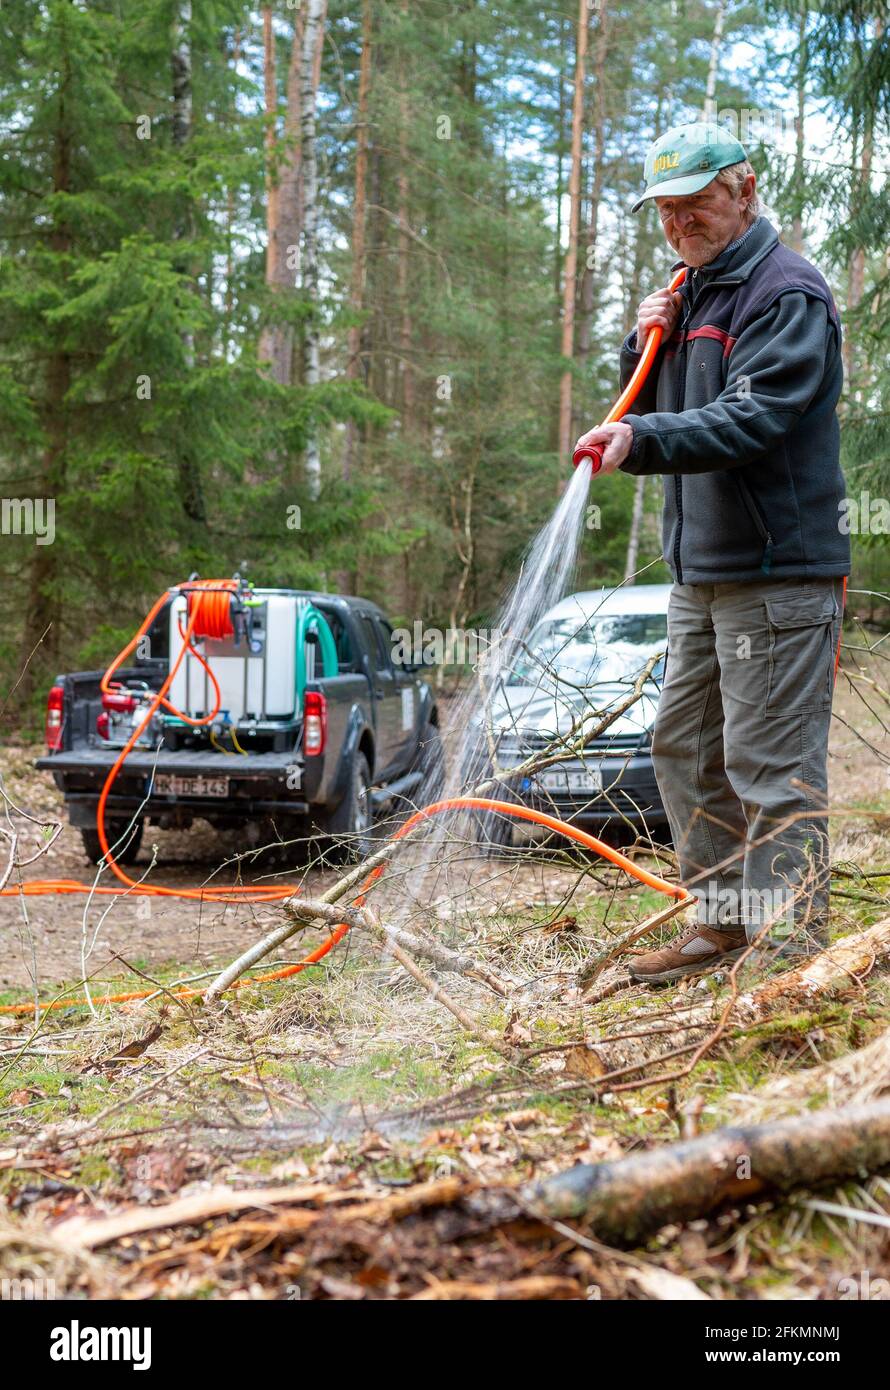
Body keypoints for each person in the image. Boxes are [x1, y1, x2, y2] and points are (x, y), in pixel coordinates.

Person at [574, 121, 850, 983]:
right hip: (702, 578)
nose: (681, 221)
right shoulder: (690, 291)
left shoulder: (786, 292)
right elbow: (649, 396)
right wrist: (641, 341)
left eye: (697, 201)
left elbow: (751, 417)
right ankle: (724, 926)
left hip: (779, 574)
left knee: (770, 768)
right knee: (687, 752)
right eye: (666, 210)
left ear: (745, 190)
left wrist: (638, 439)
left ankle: (791, 955)